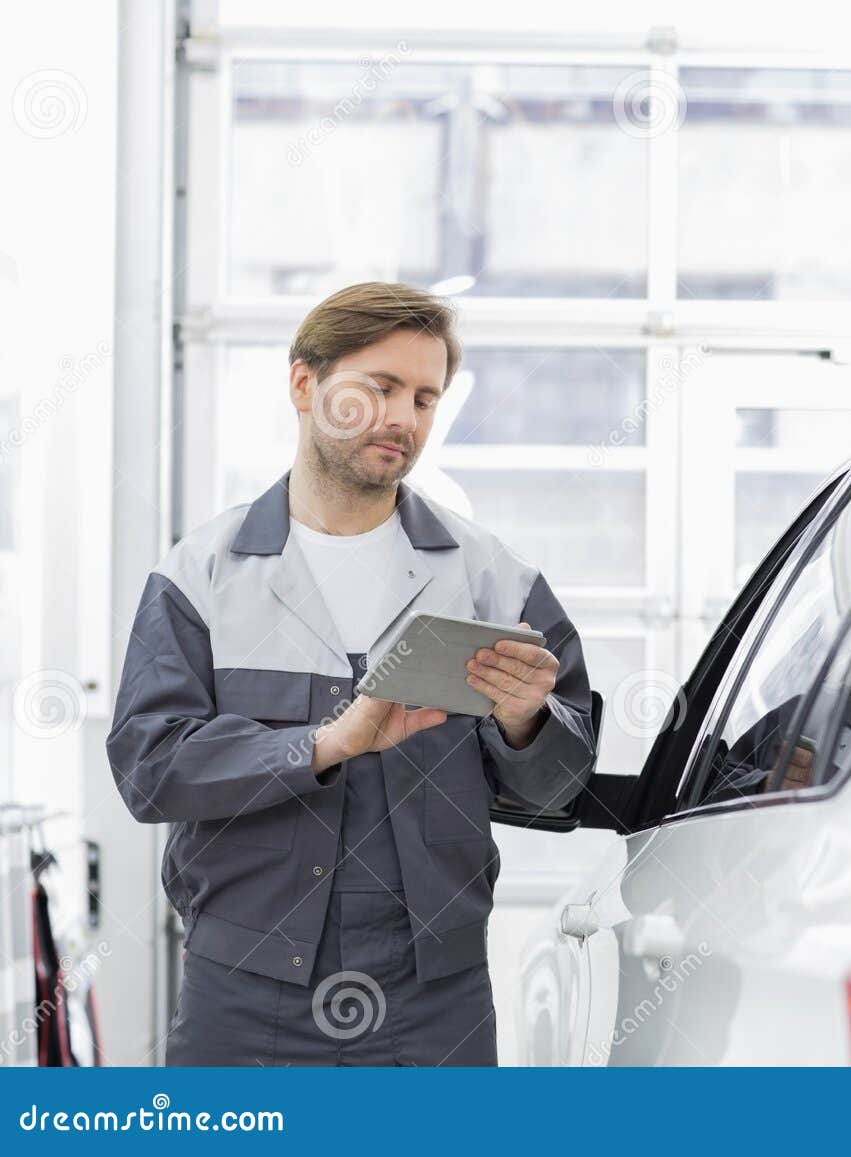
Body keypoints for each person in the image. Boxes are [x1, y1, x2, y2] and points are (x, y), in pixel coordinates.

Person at [106, 282, 595, 1065]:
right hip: (245, 991)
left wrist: (525, 723)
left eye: (426, 398)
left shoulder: (491, 577)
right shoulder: (202, 575)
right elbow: (149, 768)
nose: (405, 418)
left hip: (435, 995)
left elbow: (560, 784)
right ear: (305, 385)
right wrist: (321, 744)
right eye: (381, 387)